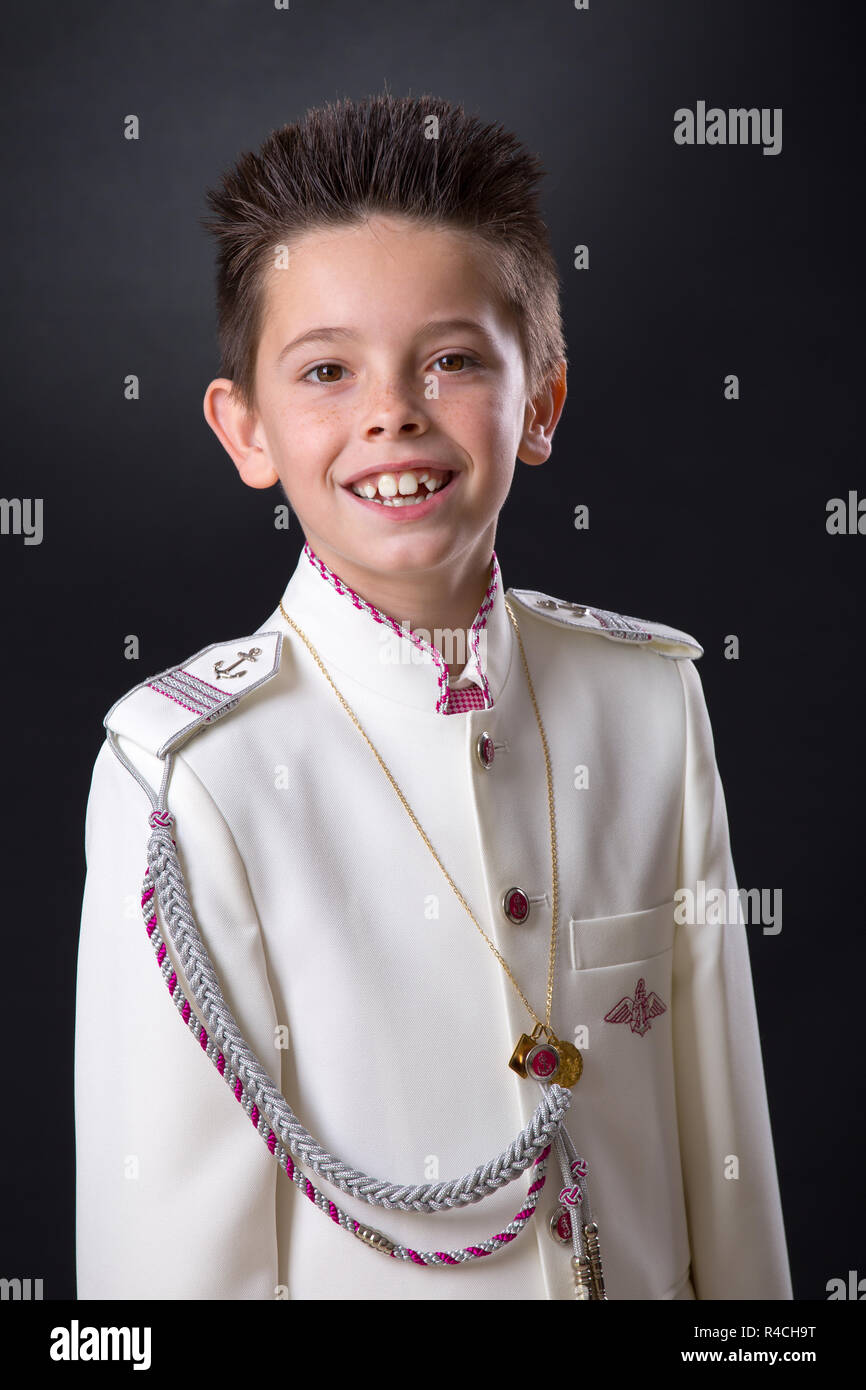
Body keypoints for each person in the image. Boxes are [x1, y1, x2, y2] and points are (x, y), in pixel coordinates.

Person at [74, 91, 792, 1301]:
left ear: (544, 401)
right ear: (244, 429)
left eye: (451, 359)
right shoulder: (185, 774)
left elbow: (725, 1162)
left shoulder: (646, 702)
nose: (391, 411)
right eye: (324, 370)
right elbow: (170, 1267)